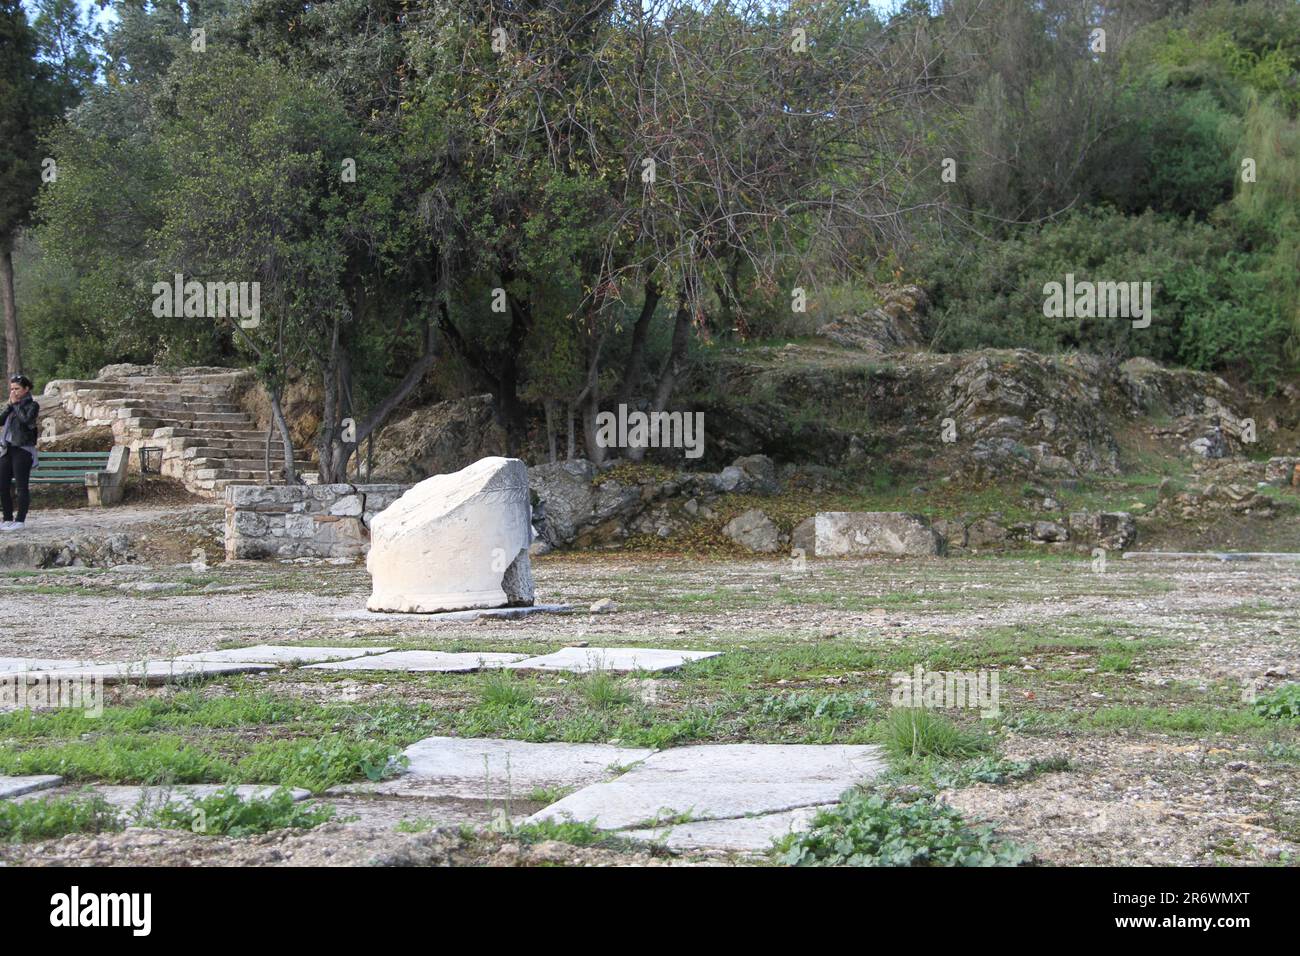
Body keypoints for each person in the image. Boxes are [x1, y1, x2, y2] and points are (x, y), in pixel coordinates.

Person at [0, 375, 39, 531]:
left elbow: (26, 421)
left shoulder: (33, 405)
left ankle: (20, 520)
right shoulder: (12, 405)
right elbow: (1, 421)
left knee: (22, 487)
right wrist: (9, 406)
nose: (14, 392)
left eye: (17, 389)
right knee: (2, 485)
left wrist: (16, 405)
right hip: (8, 448)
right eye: (12, 389)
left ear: (26, 389)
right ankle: (7, 518)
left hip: (23, 449)